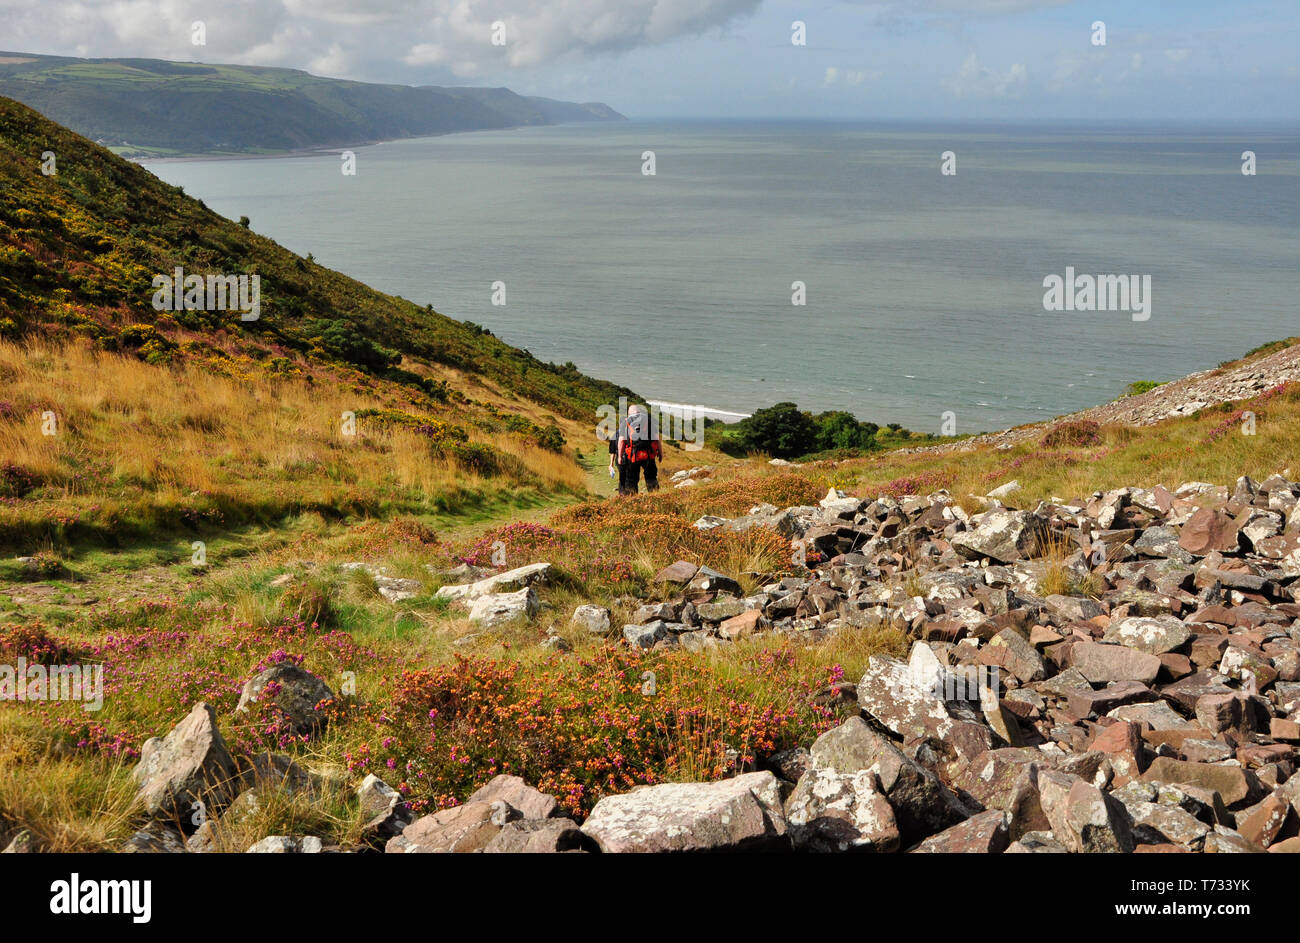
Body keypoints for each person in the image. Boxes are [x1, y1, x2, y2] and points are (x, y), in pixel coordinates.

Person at [616, 403, 662, 495]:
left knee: (631, 480)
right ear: (639, 411)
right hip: (649, 455)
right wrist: (660, 453)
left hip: (632, 456)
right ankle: (656, 498)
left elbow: (621, 441)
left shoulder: (625, 422)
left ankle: (633, 501)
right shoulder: (649, 420)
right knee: (651, 478)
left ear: (629, 414)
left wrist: (620, 457)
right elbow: (657, 438)